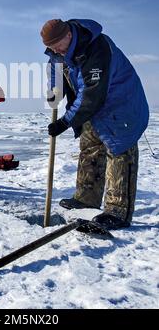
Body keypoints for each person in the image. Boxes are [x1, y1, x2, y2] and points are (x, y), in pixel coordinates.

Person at [41, 18, 149, 230]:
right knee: (89, 147)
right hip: (94, 109)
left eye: (57, 46)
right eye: (51, 48)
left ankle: (118, 211)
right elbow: (55, 70)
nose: (56, 51)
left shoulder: (97, 47)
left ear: (69, 35)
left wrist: (65, 121)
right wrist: (55, 92)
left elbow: (92, 93)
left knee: (119, 152)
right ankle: (86, 198)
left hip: (120, 105)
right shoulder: (58, 51)